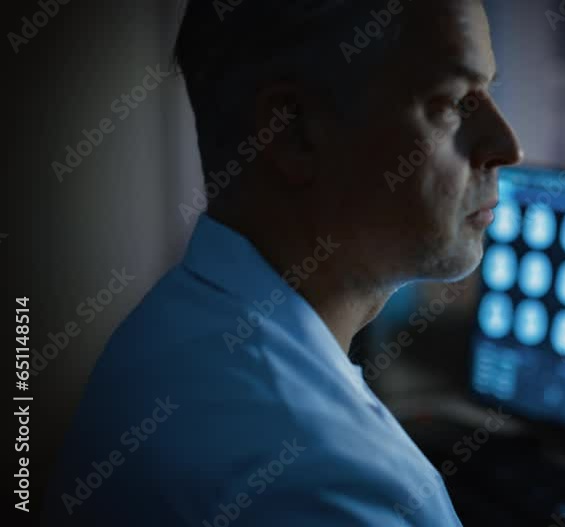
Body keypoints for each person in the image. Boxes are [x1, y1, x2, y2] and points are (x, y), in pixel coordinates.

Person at [43, 1, 522, 525]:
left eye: (489, 92)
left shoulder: (169, 324)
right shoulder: (321, 481)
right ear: (291, 132)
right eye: (454, 101)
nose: (506, 145)